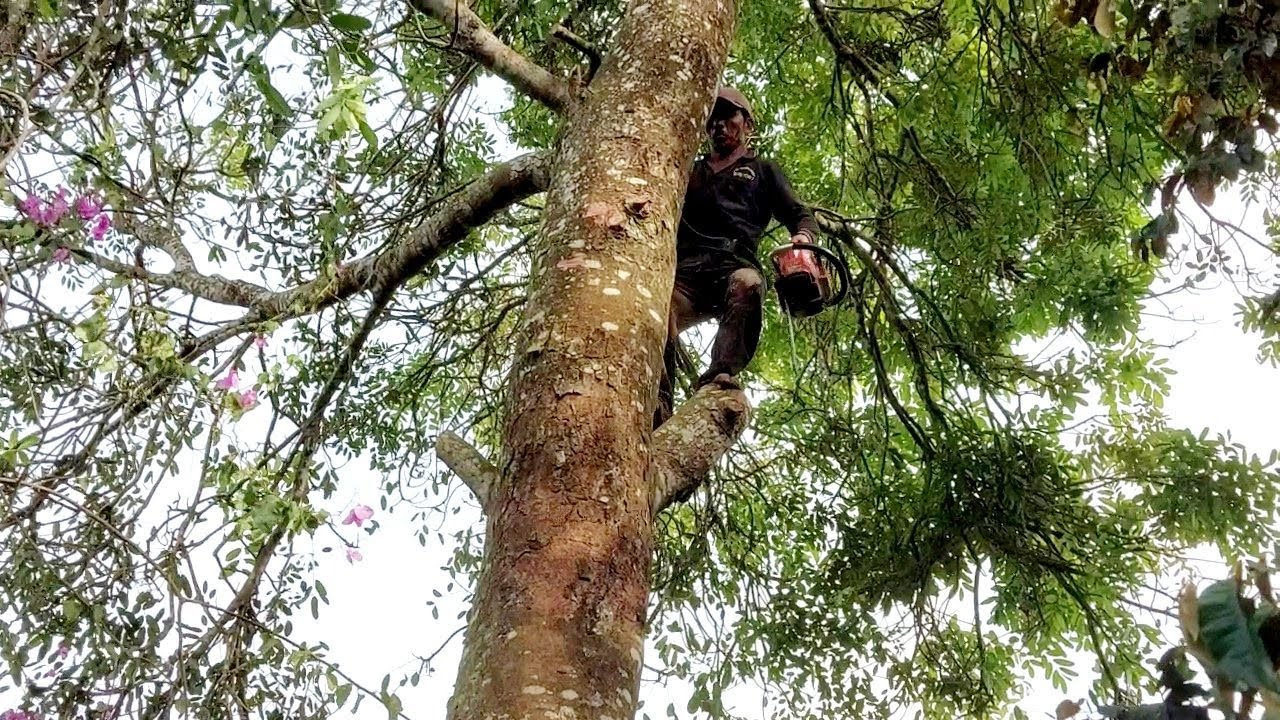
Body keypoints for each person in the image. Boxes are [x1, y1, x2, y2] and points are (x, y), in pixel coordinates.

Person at [657, 86, 819, 425]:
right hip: (687, 272)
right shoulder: (690, 172)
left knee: (748, 283)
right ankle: (659, 405)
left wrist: (802, 241)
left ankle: (721, 375)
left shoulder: (761, 170)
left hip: (733, 265)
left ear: (747, 125)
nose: (719, 125)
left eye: (728, 116)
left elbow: (799, 214)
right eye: (712, 119)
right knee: (659, 310)